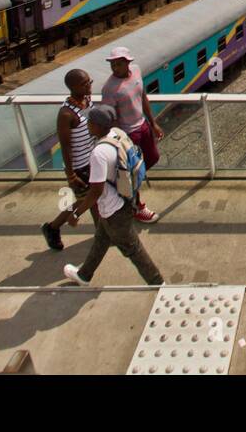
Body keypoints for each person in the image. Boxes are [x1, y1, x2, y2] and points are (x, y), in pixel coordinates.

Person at [62, 105, 165, 287]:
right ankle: (84, 275)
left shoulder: (99, 153)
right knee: (101, 240)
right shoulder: (118, 134)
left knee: (134, 249)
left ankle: (158, 283)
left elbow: (96, 191)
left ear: (97, 126)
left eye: (90, 123)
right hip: (125, 199)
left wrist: (76, 214)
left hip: (113, 210)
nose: (88, 126)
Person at [101, 46, 164, 224]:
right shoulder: (109, 88)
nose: (115, 67)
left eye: (119, 63)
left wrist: (153, 123)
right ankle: (136, 207)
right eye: (112, 64)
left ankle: (128, 189)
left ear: (128, 62)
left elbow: (143, 97)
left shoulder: (136, 71)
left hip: (143, 126)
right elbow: (110, 117)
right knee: (133, 173)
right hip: (127, 135)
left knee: (153, 157)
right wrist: (117, 141)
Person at [41, 69, 94, 251]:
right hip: (79, 167)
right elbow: (65, 147)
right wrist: (71, 175)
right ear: (72, 87)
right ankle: (53, 227)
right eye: (85, 83)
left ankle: (53, 227)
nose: (89, 86)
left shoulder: (87, 101)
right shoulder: (66, 114)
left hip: (91, 160)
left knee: (91, 199)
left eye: (90, 81)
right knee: (86, 200)